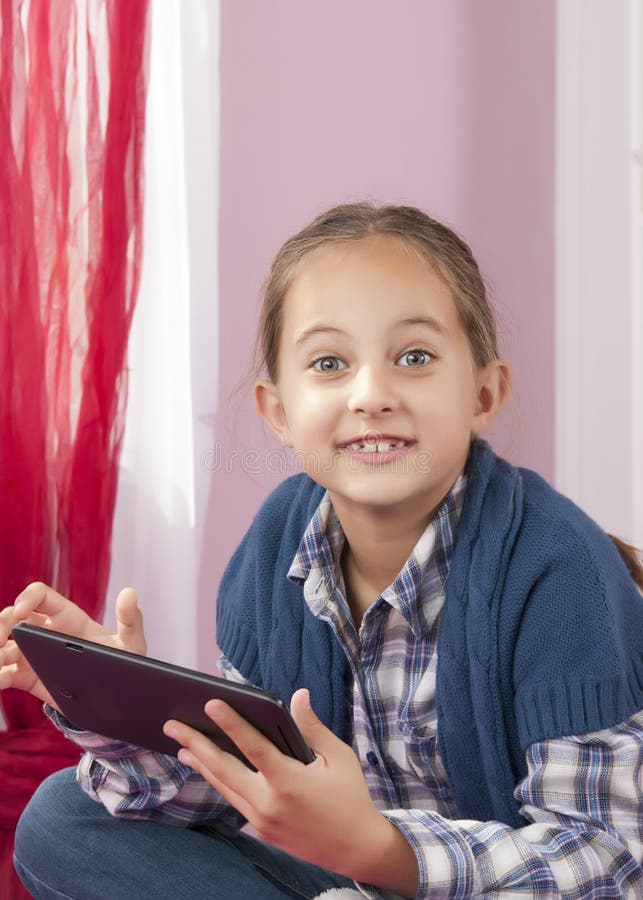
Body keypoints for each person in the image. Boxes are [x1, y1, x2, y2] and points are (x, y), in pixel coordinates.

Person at [1, 203, 642, 899]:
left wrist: (379, 849)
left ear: (483, 393)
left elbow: (605, 861)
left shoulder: (558, 567)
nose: (371, 394)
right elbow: (240, 790)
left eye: (414, 357)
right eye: (330, 363)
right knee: (62, 817)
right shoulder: (277, 544)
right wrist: (117, 703)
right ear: (276, 410)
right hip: (343, 885)